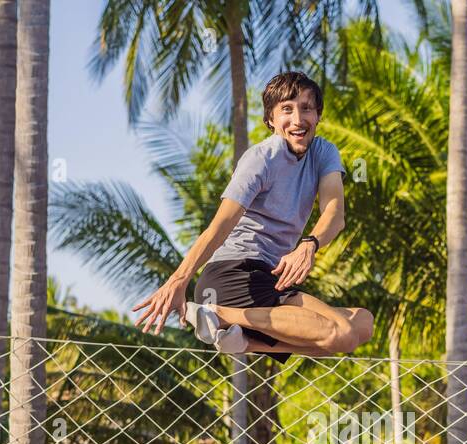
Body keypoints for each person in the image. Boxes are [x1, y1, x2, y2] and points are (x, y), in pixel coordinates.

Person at [132, 71, 373, 358]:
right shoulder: (261, 158)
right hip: (233, 275)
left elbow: (335, 213)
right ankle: (217, 314)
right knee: (341, 334)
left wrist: (310, 244)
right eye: (287, 109)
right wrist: (178, 280)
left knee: (362, 323)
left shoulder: (323, 152)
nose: (298, 119)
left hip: (268, 279)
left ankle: (243, 340)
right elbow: (220, 226)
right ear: (270, 119)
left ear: (318, 116)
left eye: (306, 108)